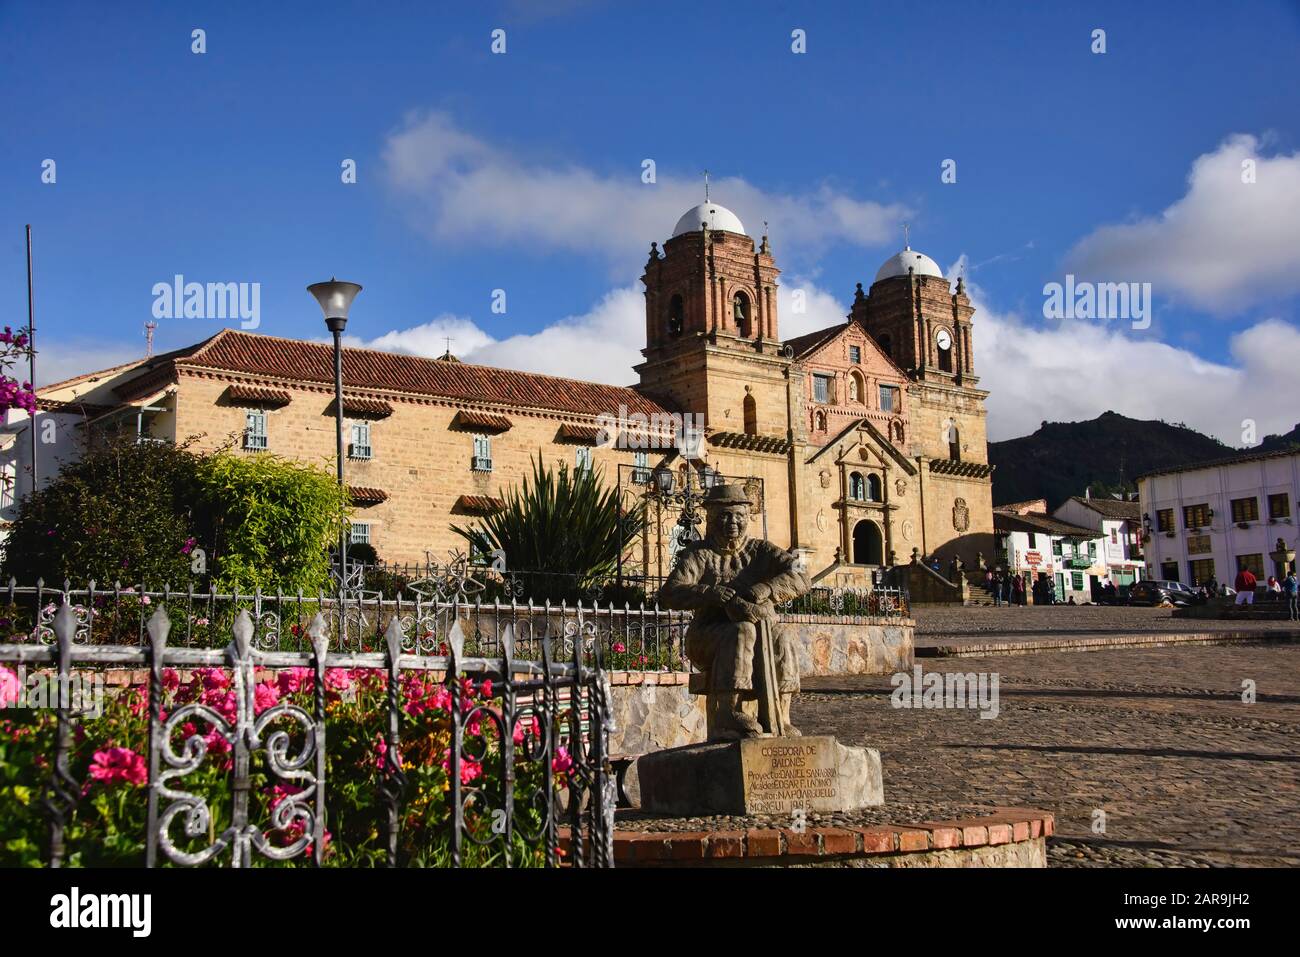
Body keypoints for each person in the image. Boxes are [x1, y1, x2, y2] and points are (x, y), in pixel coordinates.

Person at [659, 484, 810, 740]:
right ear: (711, 518)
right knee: (742, 631)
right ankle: (730, 710)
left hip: (758, 629)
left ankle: (781, 714)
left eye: (738, 516)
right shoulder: (699, 554)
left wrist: (765, 589)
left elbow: (801, 575)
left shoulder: (761, 550)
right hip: (708, 638)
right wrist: (709, 594)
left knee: (782, 635)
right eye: (725, 516)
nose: (732, 522)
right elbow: (669, 593)